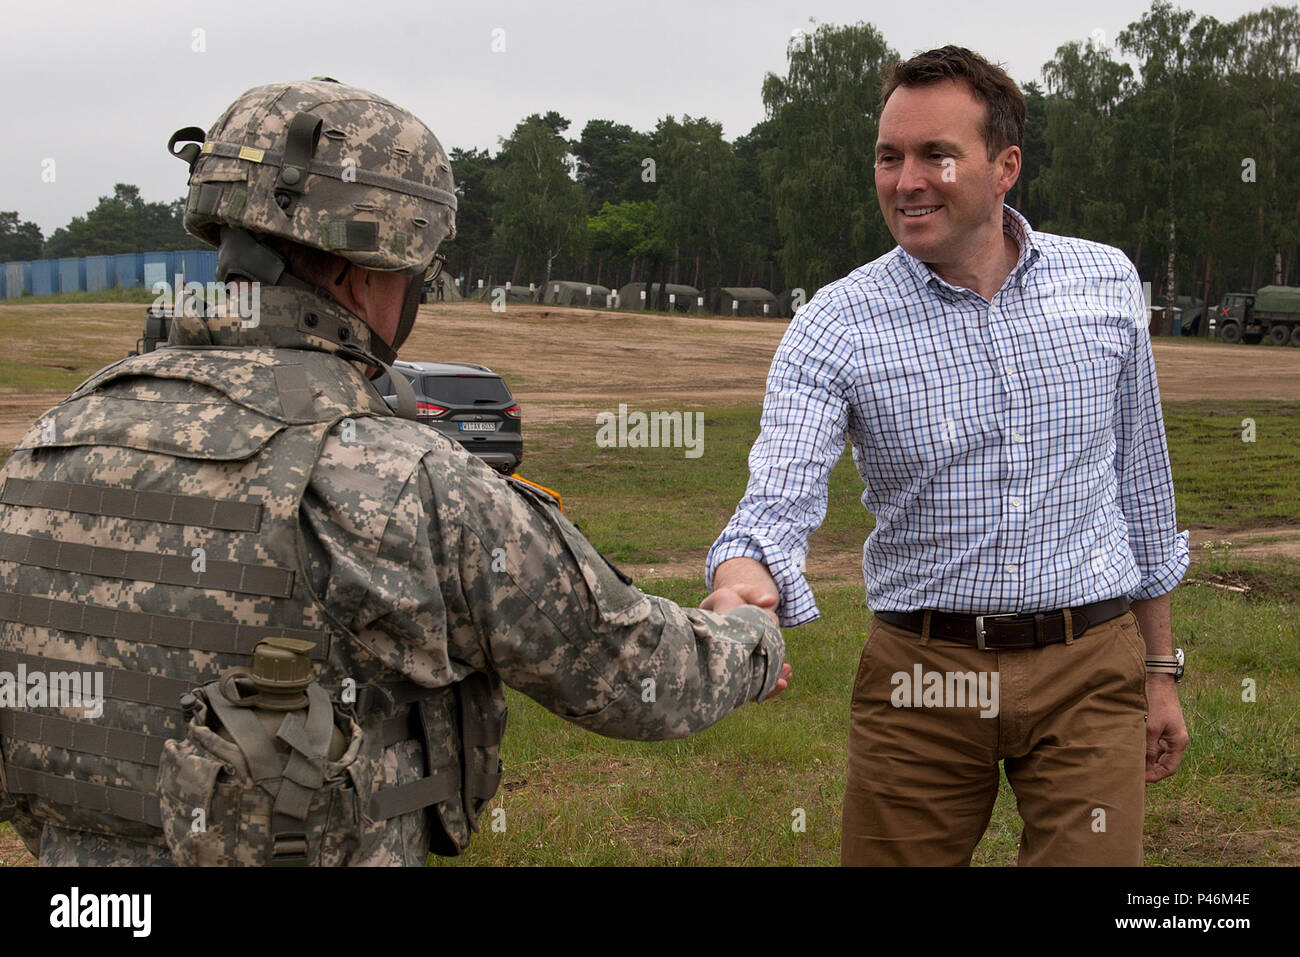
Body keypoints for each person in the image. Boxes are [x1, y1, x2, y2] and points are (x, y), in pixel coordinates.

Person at [0, 78, 787, 866]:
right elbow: (631, 668)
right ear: (379, 262)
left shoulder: (48, 441)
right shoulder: (400, 478)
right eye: (426, 271)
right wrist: (753, 636)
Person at [705, 46, 1188, 866]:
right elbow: (779, 492)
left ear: (1005, 167)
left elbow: (1142, 489)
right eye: (890, 157)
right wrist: (744, 575)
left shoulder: (1106, 283)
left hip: (1089, 668)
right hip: (922, 677)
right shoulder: (837, 322)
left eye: (937, 154)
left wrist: (1158, 668)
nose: (906, 181)